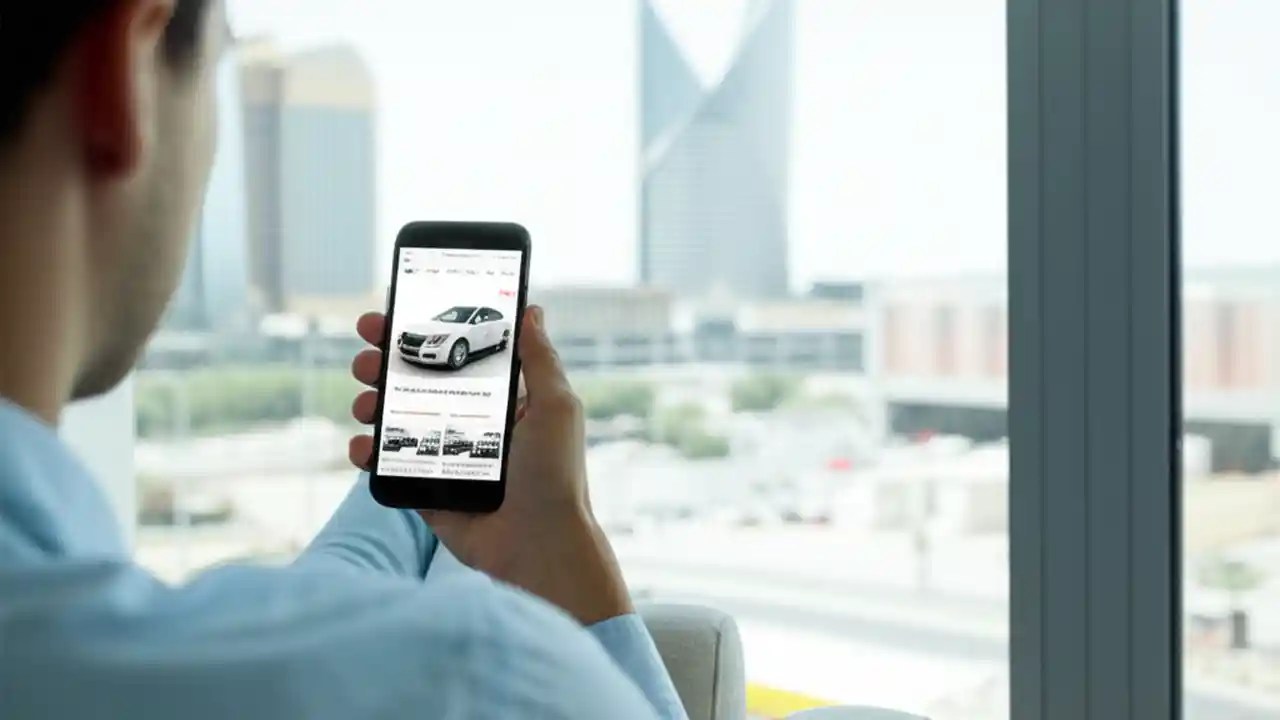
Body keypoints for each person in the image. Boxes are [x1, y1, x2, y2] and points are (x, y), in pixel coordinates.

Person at [0, 2, 685, 718]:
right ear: (123, 74)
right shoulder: (473, 678)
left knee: (373, 537)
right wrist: (557, 548)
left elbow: (344, 574)